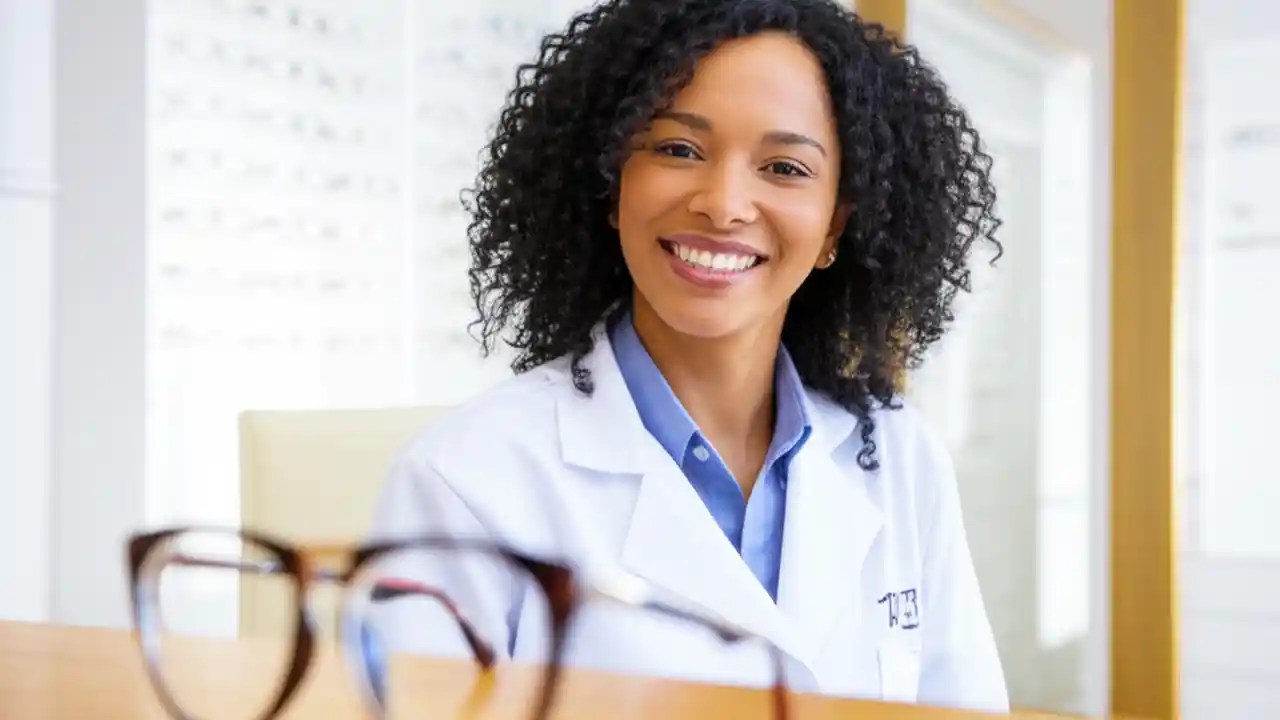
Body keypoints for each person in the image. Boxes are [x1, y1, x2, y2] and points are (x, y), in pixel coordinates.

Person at [371, 0, 1006, 712]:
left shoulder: (896, 455)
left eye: (785, 167)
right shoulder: (465, 481)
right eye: (678, 150)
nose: (725, 203)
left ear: (837, 224)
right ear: (612, 188)